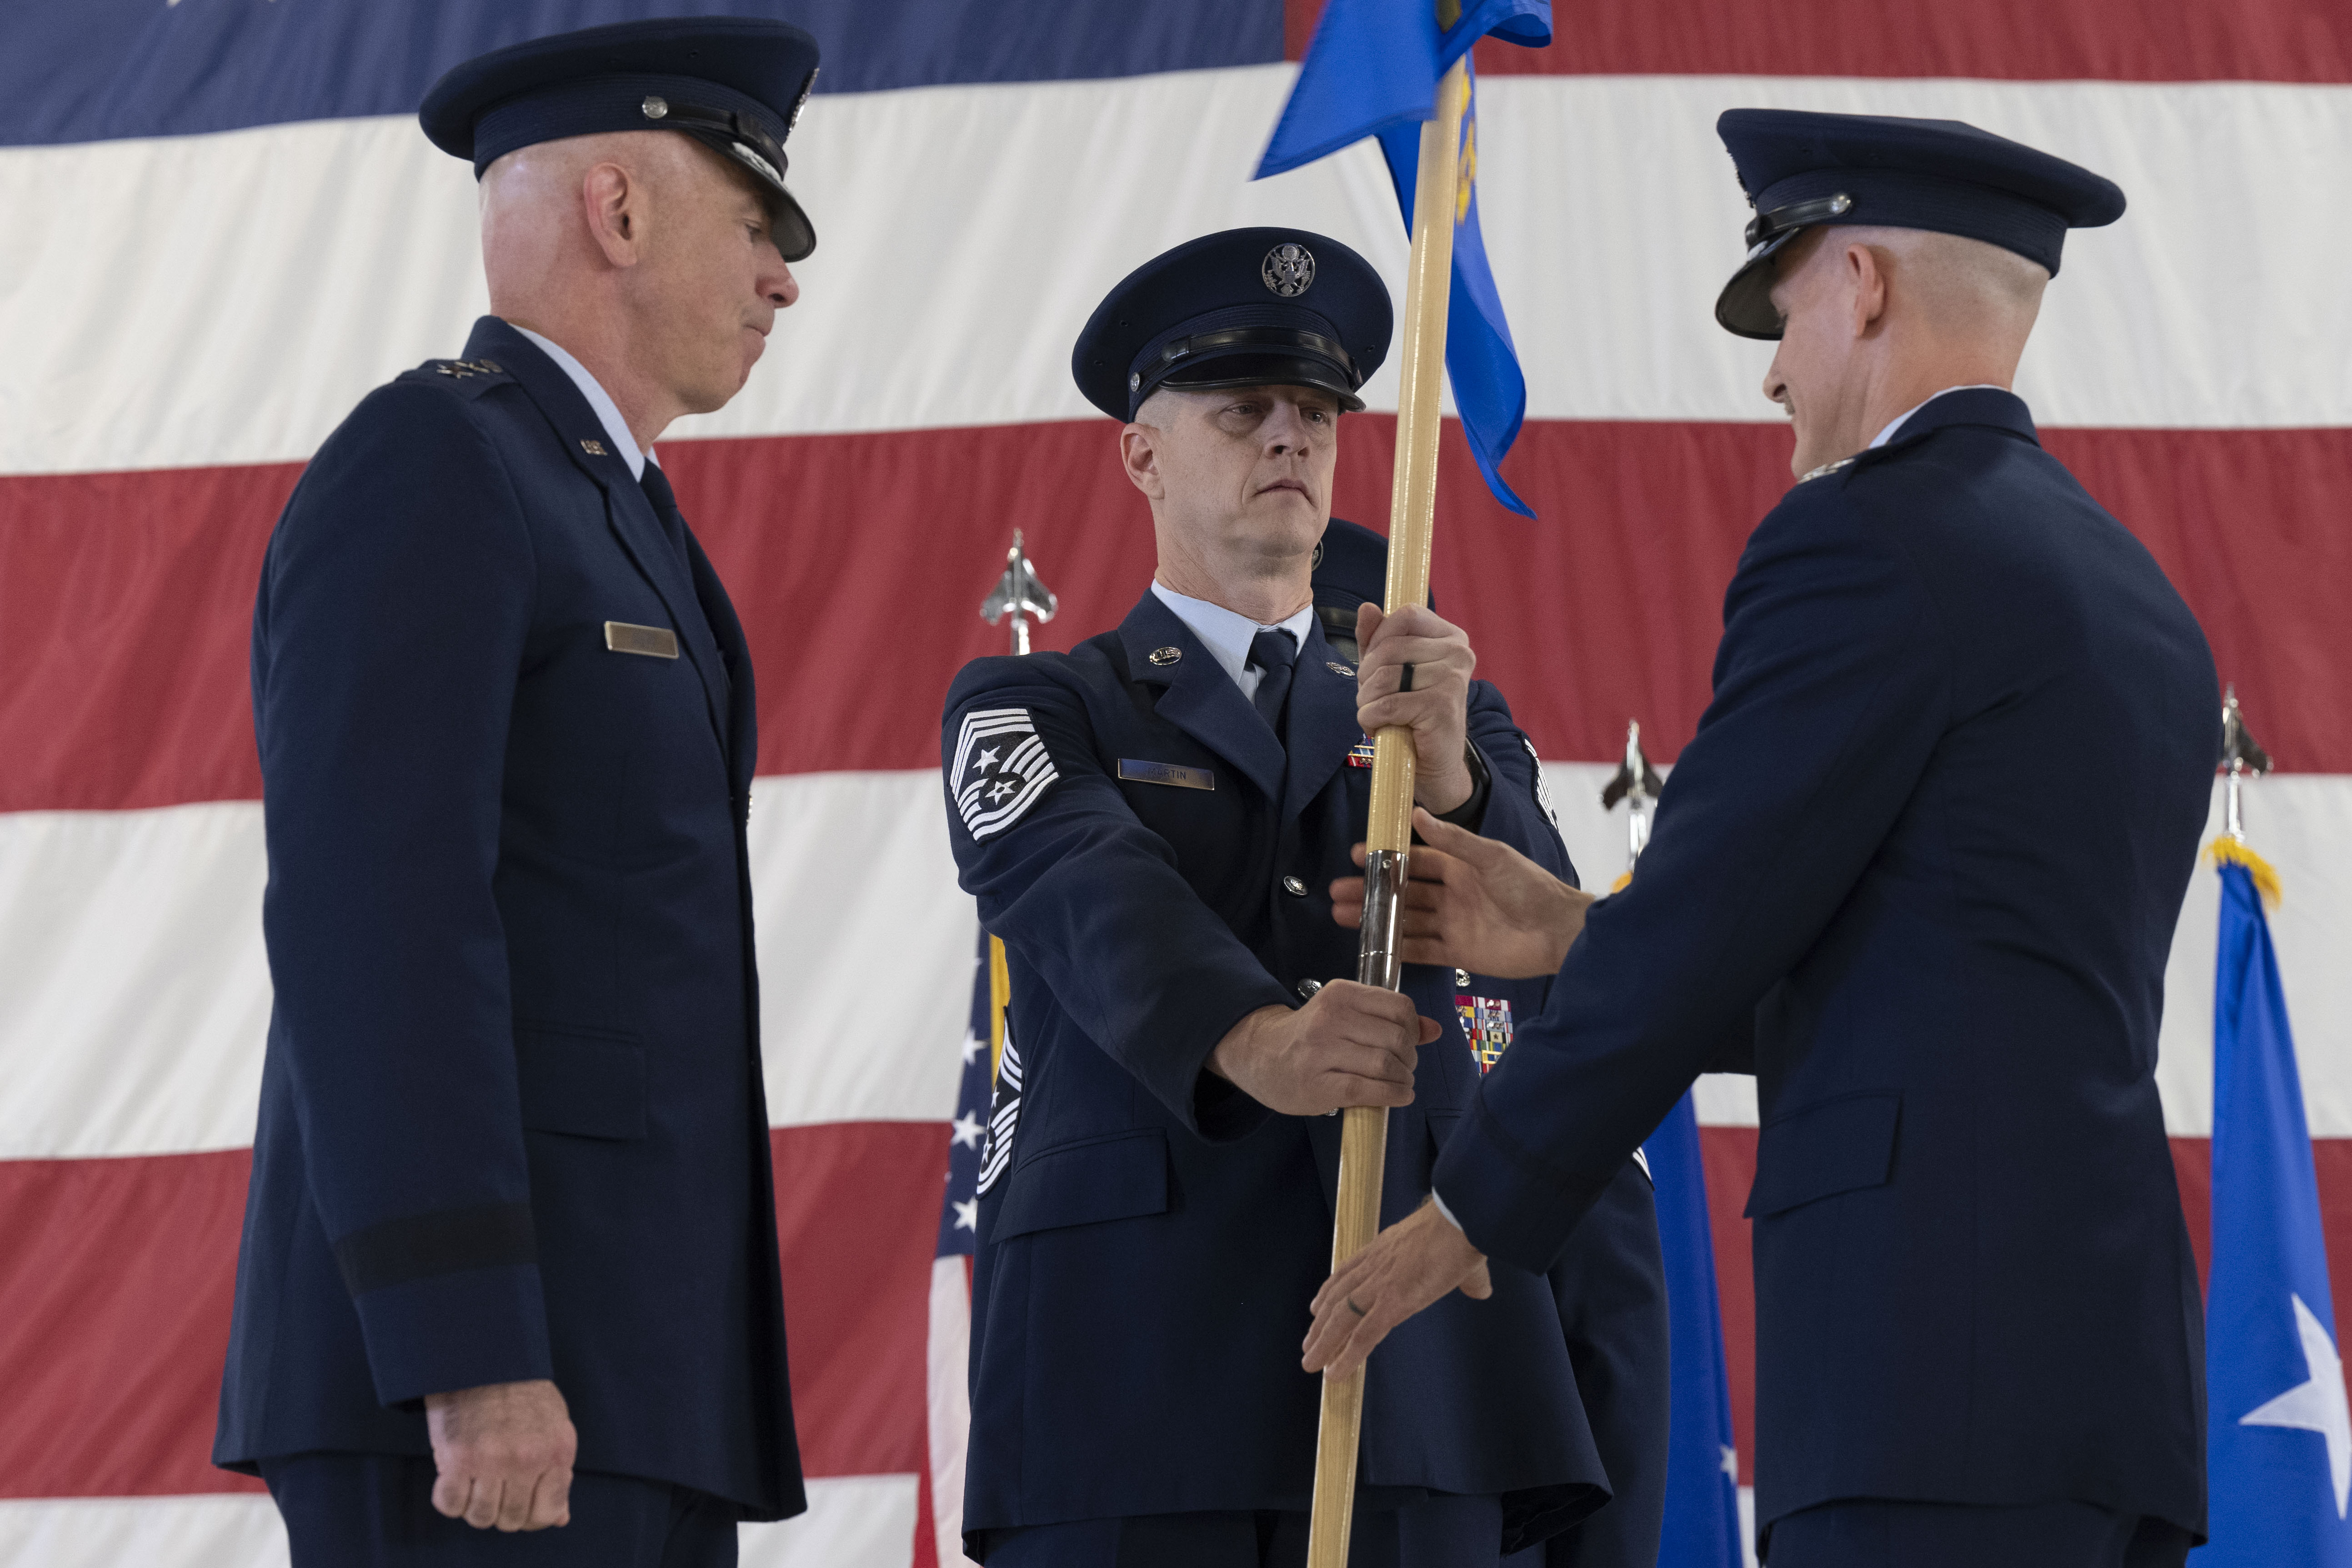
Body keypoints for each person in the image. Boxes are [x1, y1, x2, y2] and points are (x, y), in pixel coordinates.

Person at [1302, 110, 2219, 1567]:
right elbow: (1935, 963)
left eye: (1784, 317)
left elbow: (1707, 922)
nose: (1777, 374)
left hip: (1921, 1378)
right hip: (2102, 1392)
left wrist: (1473, 1203)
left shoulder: (1868, 540)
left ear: (1862, 282)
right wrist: (1575, 933)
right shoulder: (2140, 600)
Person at [940, 228, 1665, 1568]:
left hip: (1419, 1394)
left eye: (1317, 413)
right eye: (1242, 409)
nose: (1290, 435)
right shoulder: (1035, 705)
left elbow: (1549, 950)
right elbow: (1092, 891)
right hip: (1132, 1390)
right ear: (1142, 456)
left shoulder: (1447, 713)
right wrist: (1259, 1041)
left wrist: (1455, 782)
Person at [214, 18, 822, 1565]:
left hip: (631, 1381)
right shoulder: (437, 460)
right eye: (756, 224)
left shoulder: (610, 509)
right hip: (478, 1400)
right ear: (618, 212)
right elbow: (378, 925)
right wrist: (469, 1345)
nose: (783, 279)